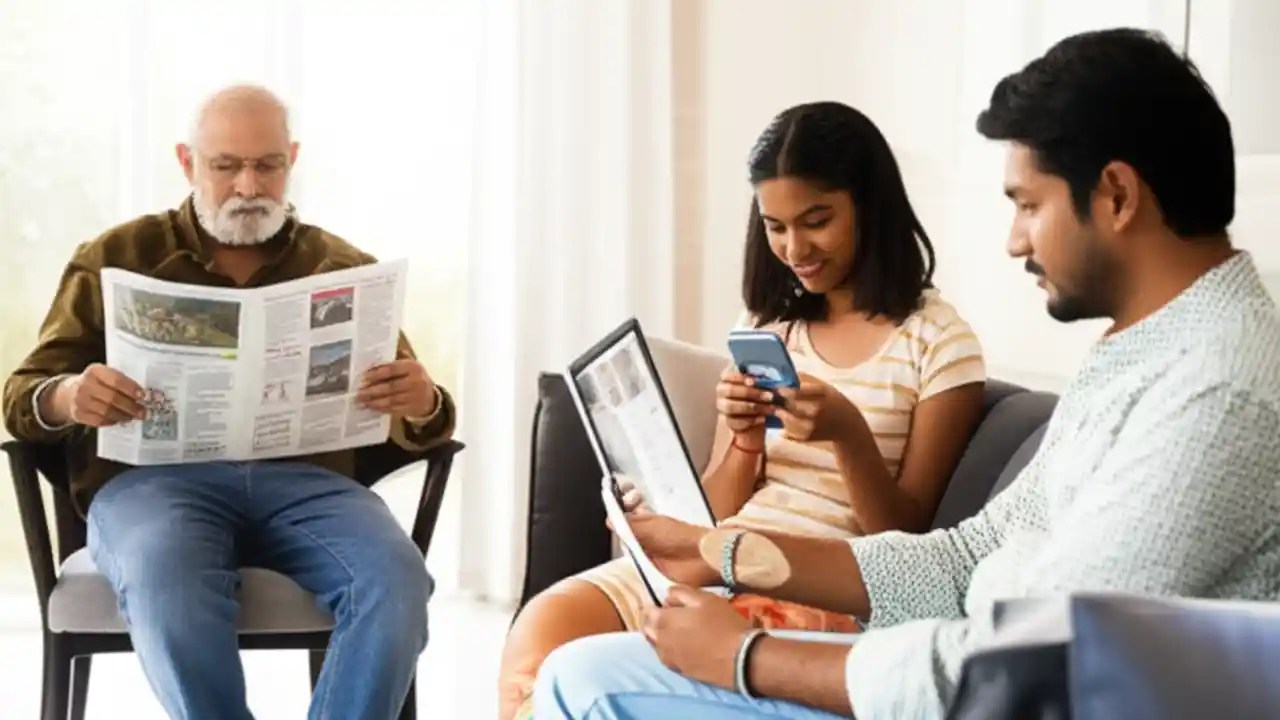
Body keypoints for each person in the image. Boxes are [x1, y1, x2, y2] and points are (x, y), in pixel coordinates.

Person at [533, 28, 1280, 720]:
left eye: (1028, 204)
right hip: (957, 664)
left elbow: (1034, 673)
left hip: (979, 692)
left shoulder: (1215, 390)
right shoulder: (1141, 351)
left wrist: (746, 657)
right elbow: (961, 558)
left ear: (1116, 196)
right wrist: (712, 548)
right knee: (576, 651)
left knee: (584, 678)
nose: (1015, 239)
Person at [500, 101, 988, 718]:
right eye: (775, 226)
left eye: (816, 221)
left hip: (819, 578)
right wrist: (745, 439)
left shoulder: (939, 343)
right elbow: (720, 509)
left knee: (602, 671)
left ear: (870, 205)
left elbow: (906, 540)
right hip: (719, 554)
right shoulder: (770, 327)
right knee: (541, 632)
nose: (793, 248)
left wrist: (847, 436)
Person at [1, 85, 455, 720]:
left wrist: (422, 400)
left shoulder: (342, 265)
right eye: (226, 165)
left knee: (396, 581)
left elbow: (423, 418)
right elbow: (22, 396)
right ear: (187, 162)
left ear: (291, 159)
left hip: (308, 485)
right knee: (168, 582)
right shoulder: (115, 258)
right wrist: (69, 395)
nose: (249, 184)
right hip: (152, 487)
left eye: (268, 164)